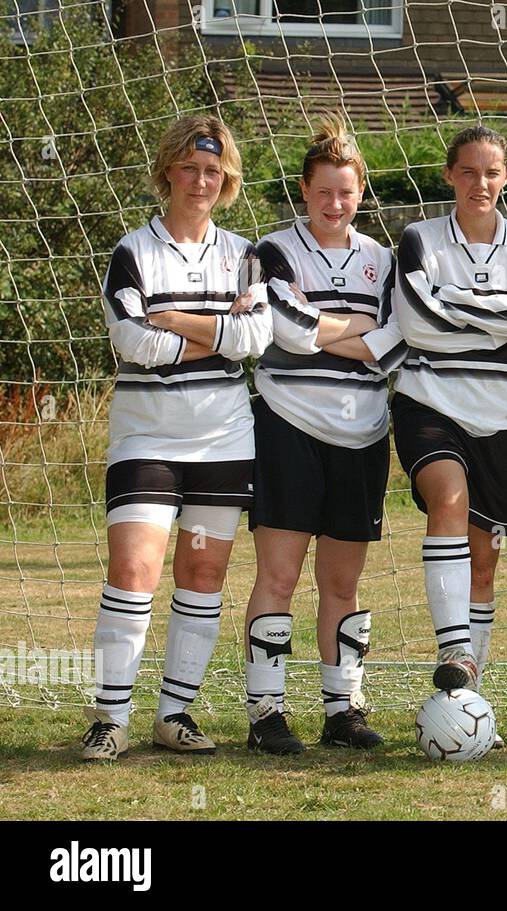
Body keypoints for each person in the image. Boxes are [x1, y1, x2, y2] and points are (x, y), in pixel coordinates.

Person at [81, 115, 272, 760]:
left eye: (213, 172)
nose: (200, 181)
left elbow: (257, 339)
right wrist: (218, 329)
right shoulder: (133, 251)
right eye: (189, 168)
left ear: (228, 181)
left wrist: (175, 320)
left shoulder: (244, 253)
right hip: (147, 440)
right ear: (167, 172)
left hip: (223, 440)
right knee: (134, 571)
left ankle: (175, 714)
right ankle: (111, 718)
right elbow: (134, 343)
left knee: (202, 573)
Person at [242, 114, 402, 754]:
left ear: (360, 193)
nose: (336, 204)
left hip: (364, 432)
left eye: (347, 191)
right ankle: (266, 713)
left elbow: (394, 342)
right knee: (277, 577)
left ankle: (344, 709)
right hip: (287, 426)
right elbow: (289, 331)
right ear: (304, 193)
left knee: (343, 583)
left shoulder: (384, 259)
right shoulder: (273, 251)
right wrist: (352, 327)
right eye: (324, 192)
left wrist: (324, 325)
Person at [389, 126, 507, 722]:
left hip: (505, 414)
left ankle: (467, 700)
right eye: (467, 172)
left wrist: (452, 300)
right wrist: (494, 319)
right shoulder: (418, 238)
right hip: (430, 401)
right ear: (449, 176)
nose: (479, 184)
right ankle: (454, 649)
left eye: (491, 172)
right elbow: (415, 323)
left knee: (484, 562)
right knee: (448, 502)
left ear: (506, 176)